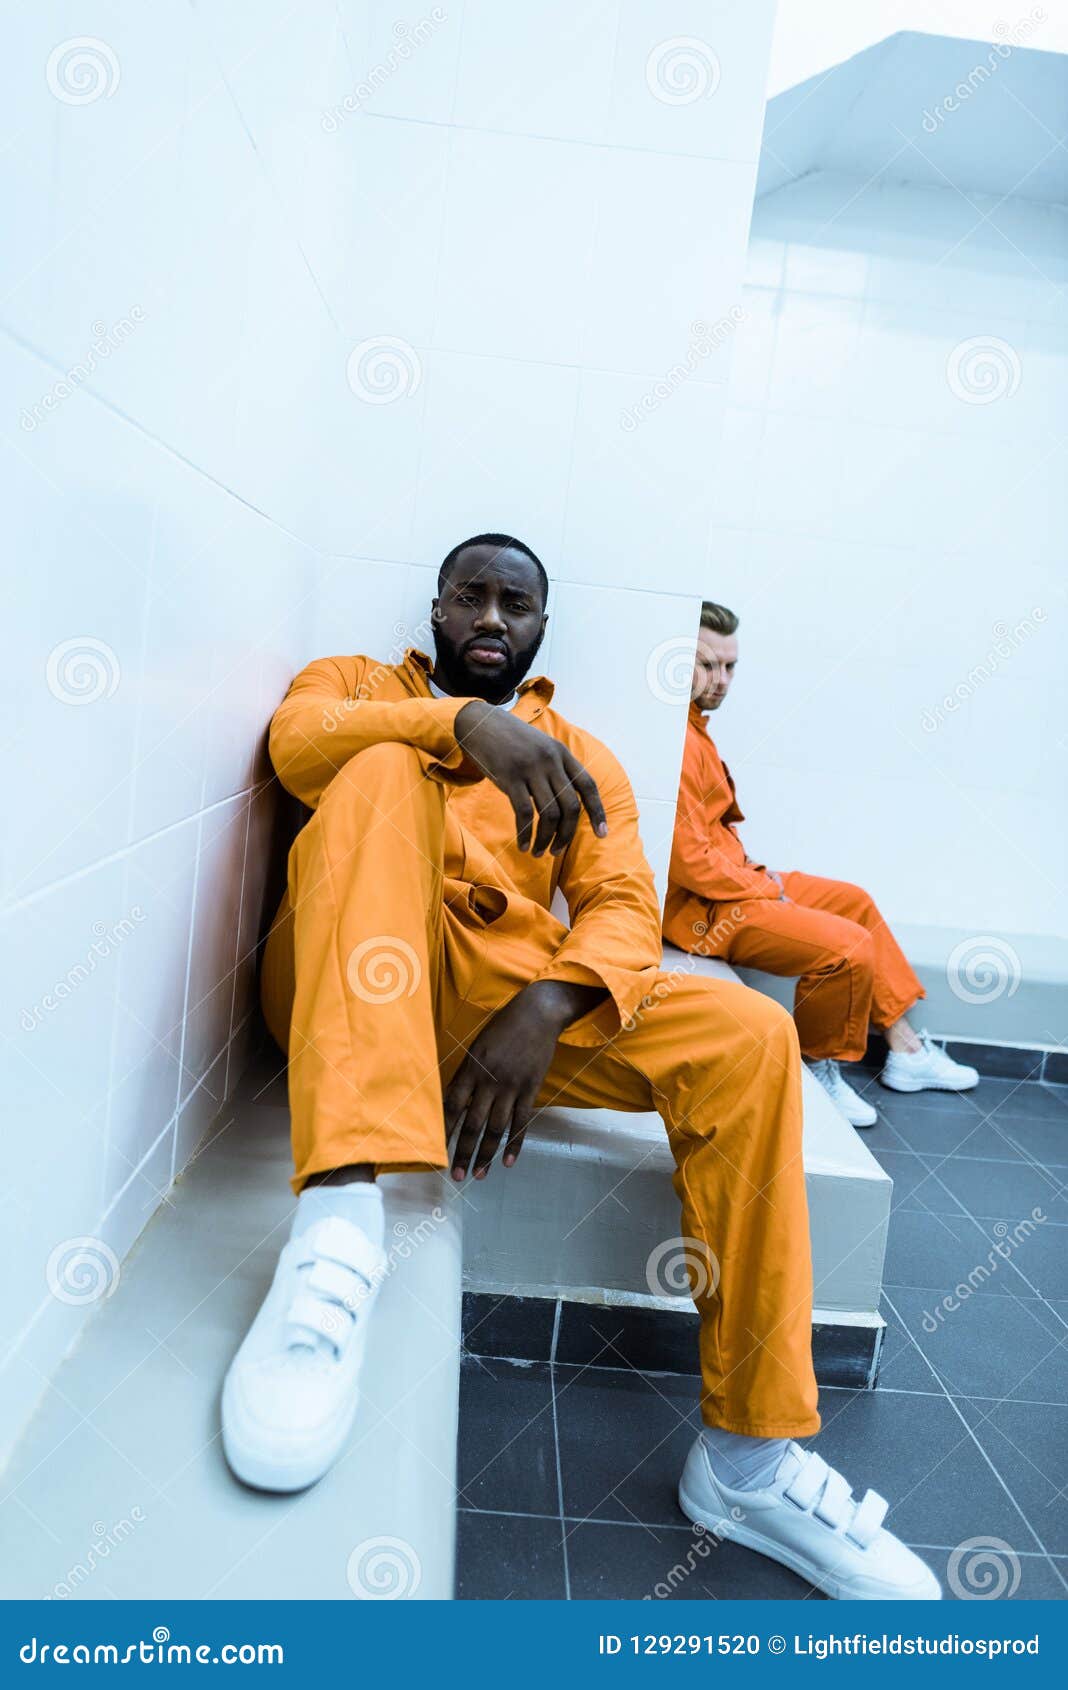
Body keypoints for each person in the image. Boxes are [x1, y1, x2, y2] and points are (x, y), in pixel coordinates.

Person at [222, 537, 940, 1600]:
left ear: (543, 628)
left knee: (748, 1035)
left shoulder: (583, 755)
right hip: (345, 978)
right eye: (471, 595)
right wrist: (458, 724)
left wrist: (549, 1005)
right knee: (374, 768)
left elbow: (620, 909)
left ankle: (748, 1460)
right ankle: (337, 1226)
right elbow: (295, 745)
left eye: (516, 602)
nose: (491, 617)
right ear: (435, 606)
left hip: (503, 1011)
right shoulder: (359, 687)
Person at [664, 602, 978, 1129]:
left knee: (854, 901)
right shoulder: (671, 739)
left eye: (730, 666)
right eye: (706, 664)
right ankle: (814, 1071)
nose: (721, 680)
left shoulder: (697, 728)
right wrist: (761, 889)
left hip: (735, 884)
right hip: (702, 909)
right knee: (846, 947)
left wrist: (758, 880)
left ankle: (905, 1050)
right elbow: (691, 865)